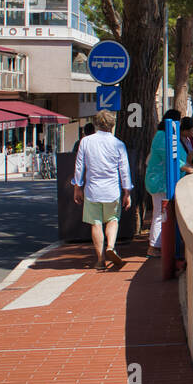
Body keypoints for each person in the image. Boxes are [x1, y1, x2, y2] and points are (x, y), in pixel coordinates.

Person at [72, 109, 132, 270]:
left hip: (92, 190)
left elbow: (79, 166)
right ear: (112, 125)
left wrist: (77, 186)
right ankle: (111, 246)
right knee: (113, 219)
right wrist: (127, 191)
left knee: (95, 223)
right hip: (112, 190)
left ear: (96, 124)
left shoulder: (86, 142)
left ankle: (100, 259)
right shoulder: (118, 144)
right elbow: (124, 169)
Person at [145, 110, 193, 258]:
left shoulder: (166, 136)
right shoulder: (163, 137)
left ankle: (160, 245)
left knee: (162, 213)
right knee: (160, 213)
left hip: (163, 181)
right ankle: (154, 247)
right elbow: (172, 157)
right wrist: (190, 169)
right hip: (159, 182)